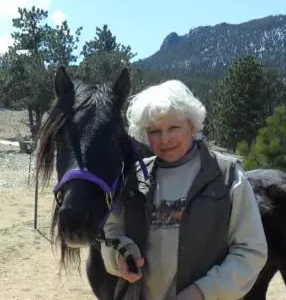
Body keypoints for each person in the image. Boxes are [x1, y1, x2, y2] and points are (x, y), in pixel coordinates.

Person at [101, 79, 268, 300]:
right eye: (155, 131)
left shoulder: (227, 176)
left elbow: (251, 252)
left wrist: (203, 292)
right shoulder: (134, 179)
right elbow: (111, 233)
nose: (165, 138)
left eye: (174, 127)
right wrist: (118, 257)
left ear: (192, 125)